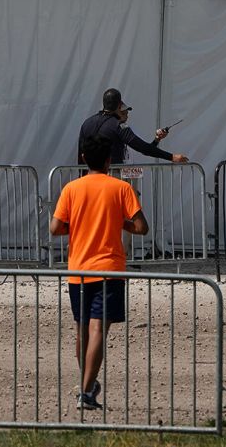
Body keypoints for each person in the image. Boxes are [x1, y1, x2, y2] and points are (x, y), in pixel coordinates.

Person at [50, 134, 148, 411]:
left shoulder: (71, 188)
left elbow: (55, 228)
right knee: (97, 331)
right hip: (109, 268)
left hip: (78, 268)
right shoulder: (121, 189)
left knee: (81, 332)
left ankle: (88, 385)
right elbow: (142, 227)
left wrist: (78, 227)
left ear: (83, 159)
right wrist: (122, 224)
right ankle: (87, 392)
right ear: (108, 160)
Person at [77, 88, 188, 167]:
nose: (127, 115)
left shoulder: (87, 123)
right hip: (110, 177)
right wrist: (171, 157)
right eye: (125, 112)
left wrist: (156, 140)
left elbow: (80, 152)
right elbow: (142, 148)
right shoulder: (118, 125)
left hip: (87, 178)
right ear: (119, 105)